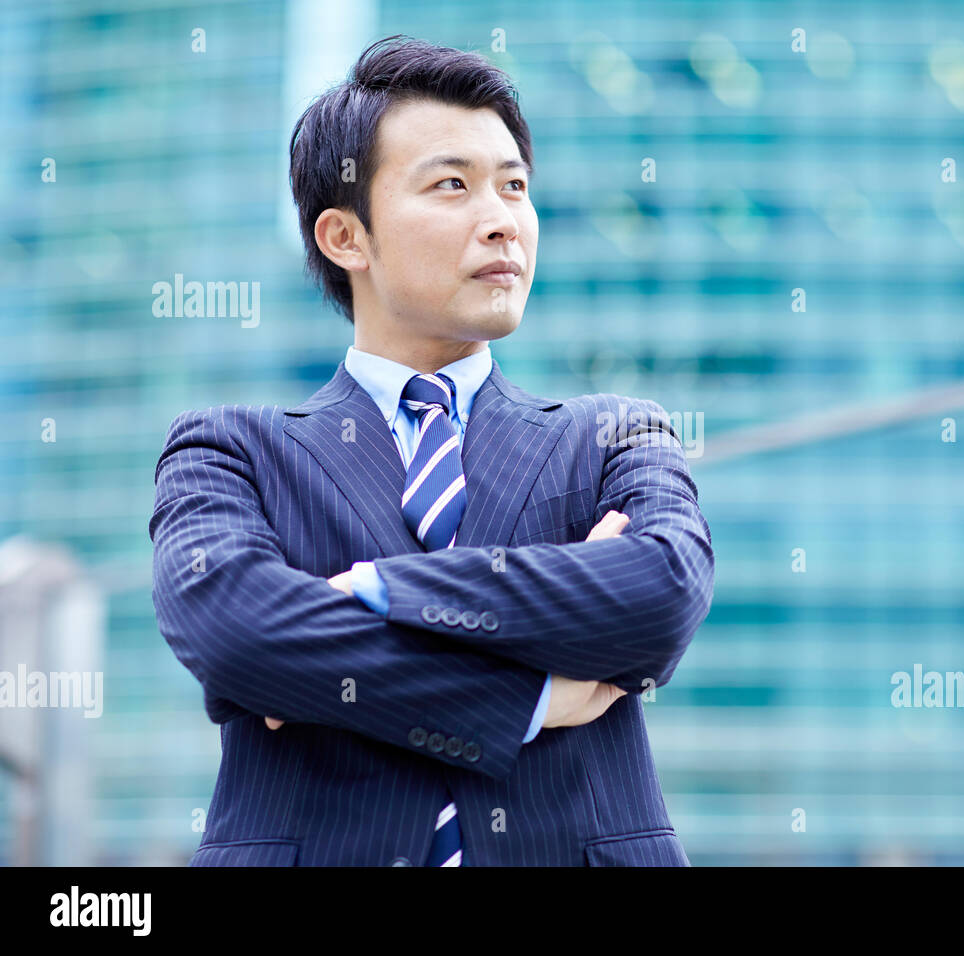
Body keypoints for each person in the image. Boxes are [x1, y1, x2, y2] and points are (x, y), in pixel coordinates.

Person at [149, 35, 713, 866]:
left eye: (514, 187)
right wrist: (534, 696)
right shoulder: (227, 451)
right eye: (452, 185)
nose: (502, 221)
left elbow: (661, 593)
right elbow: (242, 636)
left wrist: (376, 591)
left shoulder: (616, 435)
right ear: (346, 236)